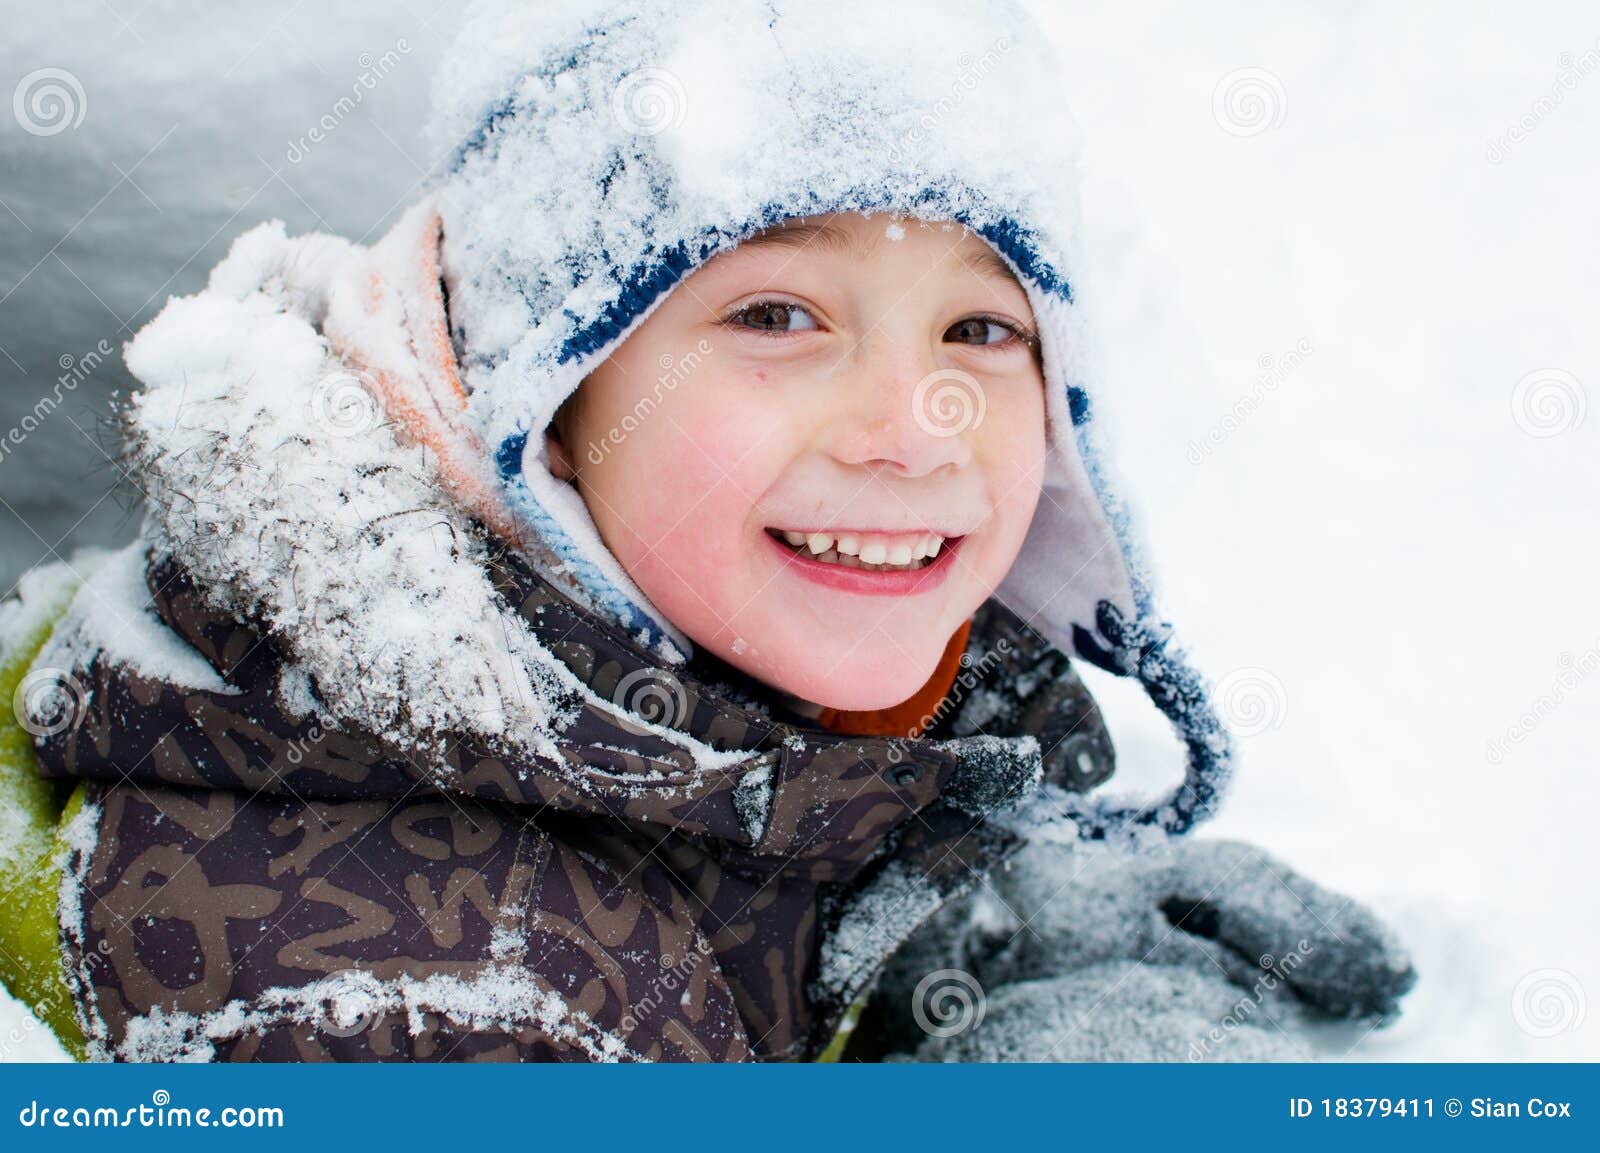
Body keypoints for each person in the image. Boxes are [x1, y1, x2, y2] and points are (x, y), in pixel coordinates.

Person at [0, 0, 1412, 1061]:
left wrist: (977, 934)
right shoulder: (439, 997)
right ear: (531, 404)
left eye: (981, 324)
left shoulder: (693, 694)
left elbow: (727, 882)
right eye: (777, 315)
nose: (916, 421)